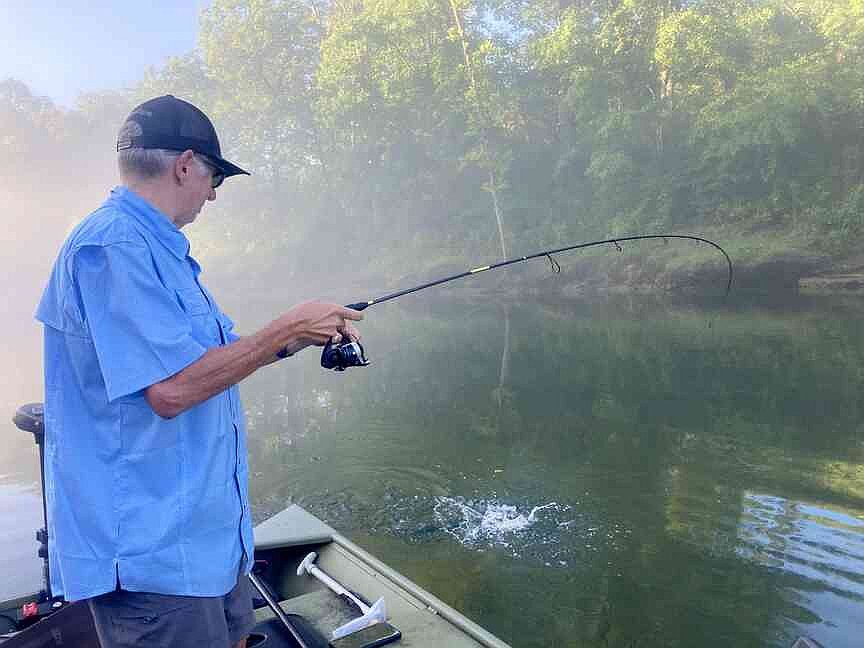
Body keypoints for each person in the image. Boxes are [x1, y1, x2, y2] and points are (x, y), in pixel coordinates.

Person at [35, 95, 362, 648]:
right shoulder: (112, 245)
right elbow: (171, 390)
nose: (212, 192)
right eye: (214, 177)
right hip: (151, 557)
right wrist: (283, 329)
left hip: (202, 540)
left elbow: (209, 356)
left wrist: (298, 339)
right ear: (186, 164)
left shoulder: (158, 250)